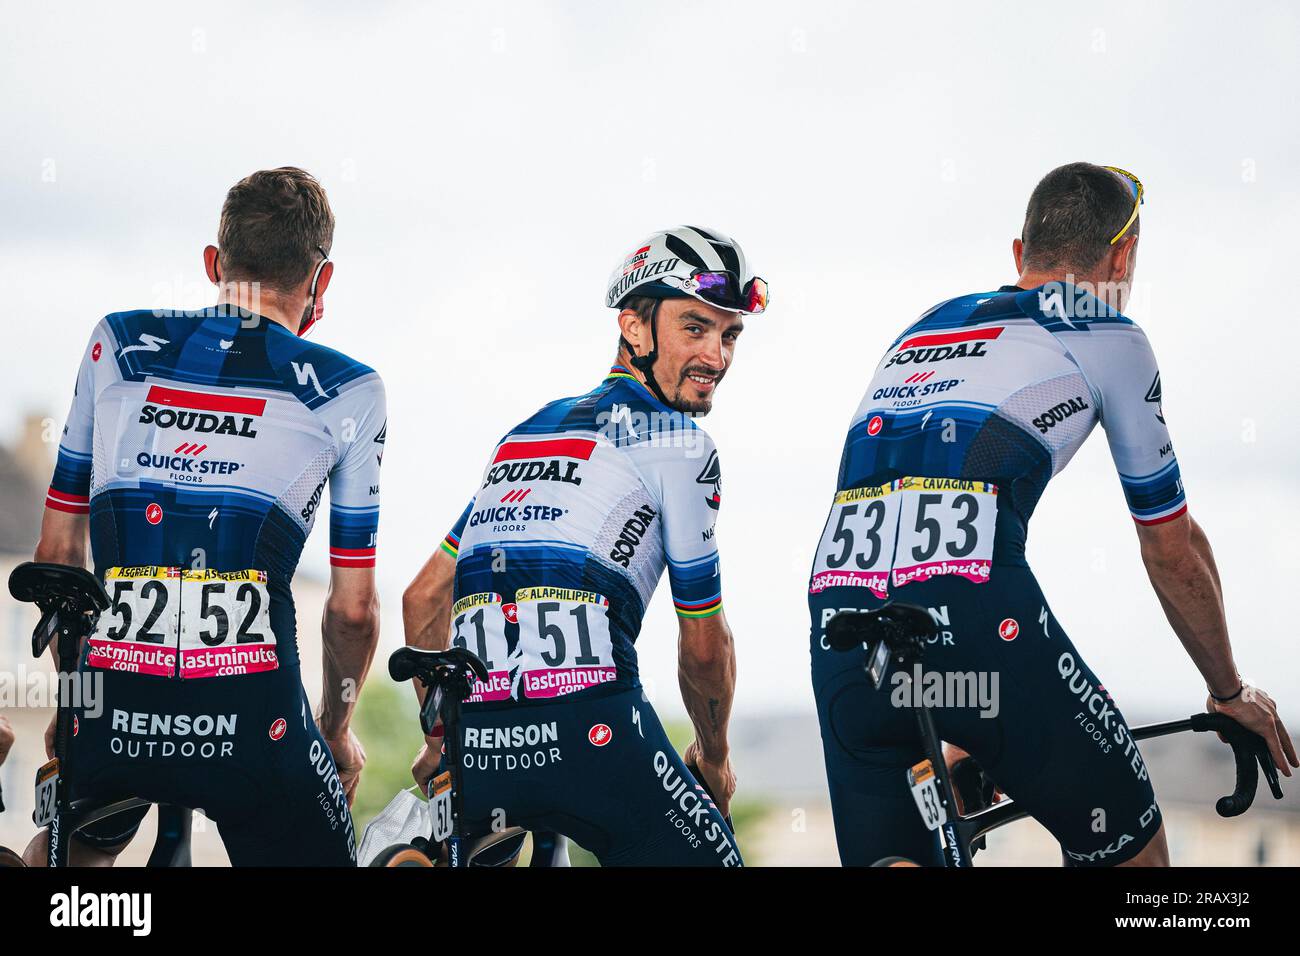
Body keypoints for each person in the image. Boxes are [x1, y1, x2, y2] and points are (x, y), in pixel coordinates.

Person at [808, 162, 1297, 867]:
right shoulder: (1113, 335)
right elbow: (1170, 546)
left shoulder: (918, 330)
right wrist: (1228, 689)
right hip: (975, 618)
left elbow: (906, 538)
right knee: (1136, 857)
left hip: (841, 626)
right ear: (1122, 255)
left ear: (1019, 255)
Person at [25, 167, 384, 866]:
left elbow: (56, 557)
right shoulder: (350, 389)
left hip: (113, 706)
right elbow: (353, 611)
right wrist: (336, 728)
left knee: (70, 860)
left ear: (215, 265)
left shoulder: (116, 343)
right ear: (322, 281)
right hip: (256, 725)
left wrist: (76, 706)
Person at [402, 226, 766, 865]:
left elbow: (424, 596)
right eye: (695, 327)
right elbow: (705, 646)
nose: (718, 355)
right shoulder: (681, 446)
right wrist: (714, 757)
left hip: (482, 745)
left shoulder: (527, 434)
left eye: (729, 333)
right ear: (634, 327)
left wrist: (440, 734)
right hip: (593, 734)